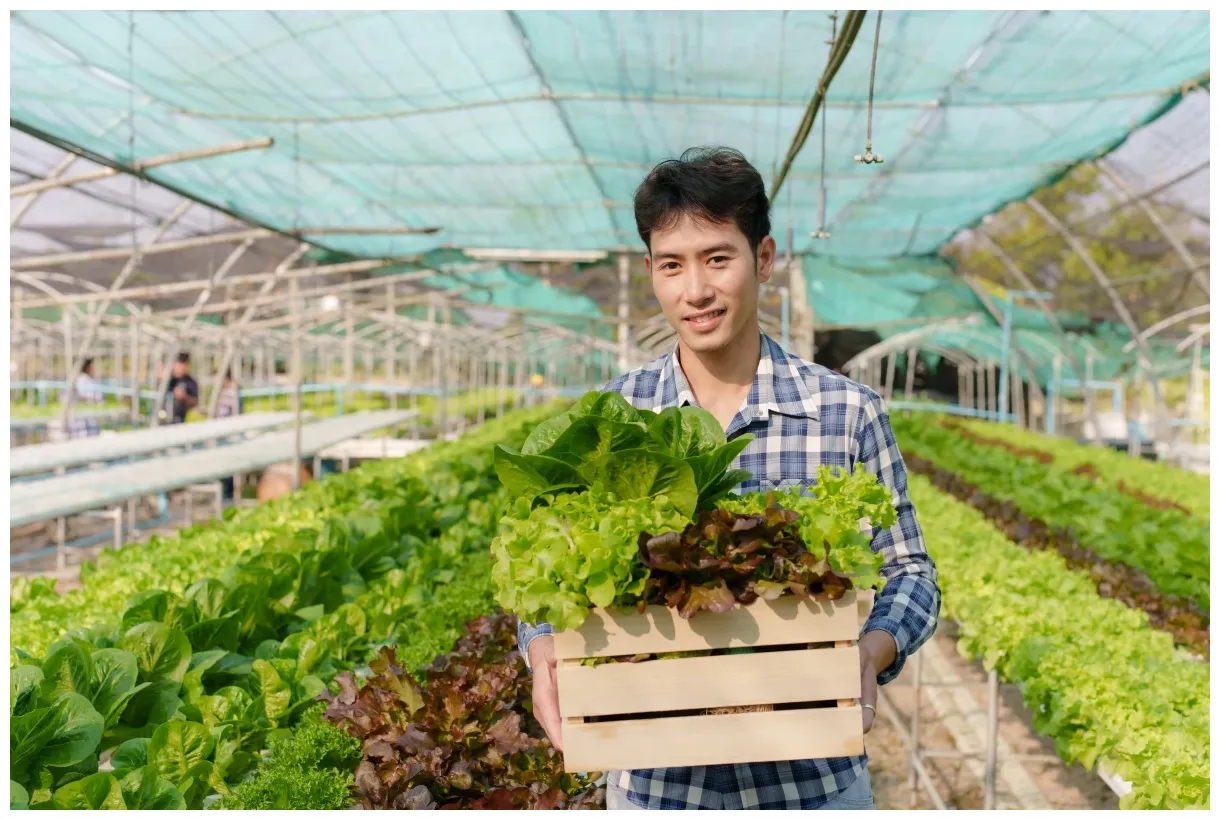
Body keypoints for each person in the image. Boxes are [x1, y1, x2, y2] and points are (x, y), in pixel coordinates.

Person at [517, 147, 941, 810]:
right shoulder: (612, 418)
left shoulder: (846, 411)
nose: (695, 290)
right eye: (672, 265)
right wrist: (542, 645)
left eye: (718, 258)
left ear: (763, 259)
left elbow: (911, 571)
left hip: (813, 784)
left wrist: (872, 649)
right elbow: (549, 572)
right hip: (656, 785)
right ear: (652, 273)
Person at [215, 368, 242, 501]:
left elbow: (224, 413)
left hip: (228, 433)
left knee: (228, 464)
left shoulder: (231, 392)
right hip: (227, 432)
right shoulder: (232, 391)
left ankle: (228, 493)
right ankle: (228, 492)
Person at [68, 357, 103, 439]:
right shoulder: (91, 383)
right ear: (88, 368)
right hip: (89, 416)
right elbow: (99, 399)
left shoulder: (73, 381)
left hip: (76, 416)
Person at [164, 352, 199, 425]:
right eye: (178, 365)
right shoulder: (167, 380)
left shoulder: (190, 382)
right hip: (162, 416)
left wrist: (184, 396)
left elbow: (195, 402)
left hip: (178, 419)